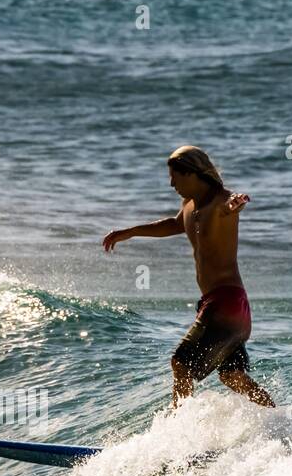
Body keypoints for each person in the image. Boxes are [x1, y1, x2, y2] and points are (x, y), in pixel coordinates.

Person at [103, 146, 275, 408]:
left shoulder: (221, 201)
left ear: (193, 173)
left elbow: (230, 207)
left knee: (180, 362)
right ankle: (278, 418)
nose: (172, 184)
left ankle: (178, 428)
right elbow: (173, 224)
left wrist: (235, 203)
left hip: (225, 303)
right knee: (231, 375)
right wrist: (130, 232)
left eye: (175, 177)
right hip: (230, 306)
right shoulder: (189, 207)